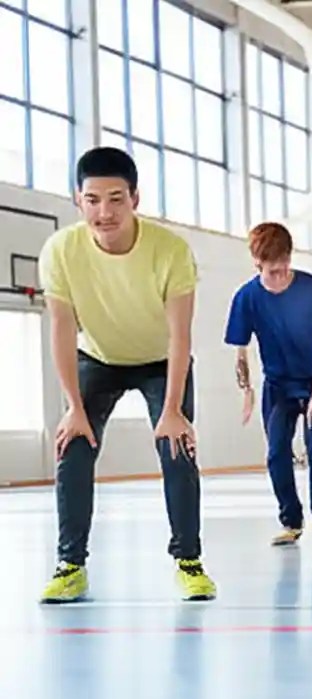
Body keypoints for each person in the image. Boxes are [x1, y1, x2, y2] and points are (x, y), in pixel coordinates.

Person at [37, 147, 217, 602]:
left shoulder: (170, 251)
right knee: (73, 447)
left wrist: (173, 409)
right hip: (97, 358)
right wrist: (74, 408)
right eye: (93, 199)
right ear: (78, 200)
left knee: (176, 448)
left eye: (116, 198)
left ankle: (189, 560)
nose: (104, 211)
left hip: (161, 360)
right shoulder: (60, 251)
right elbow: (61, 329)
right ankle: (70, 565)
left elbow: (181, 336)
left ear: (135, 198)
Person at [224, 222, 312, 550]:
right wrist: (247, 391)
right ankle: (291, 521)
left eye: (283, 269)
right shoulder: (246, 297)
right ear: (256, 263)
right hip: (279, 384)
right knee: (277, 452)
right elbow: (241, 351)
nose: (278, 277)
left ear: (290, 258)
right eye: (270, 271)